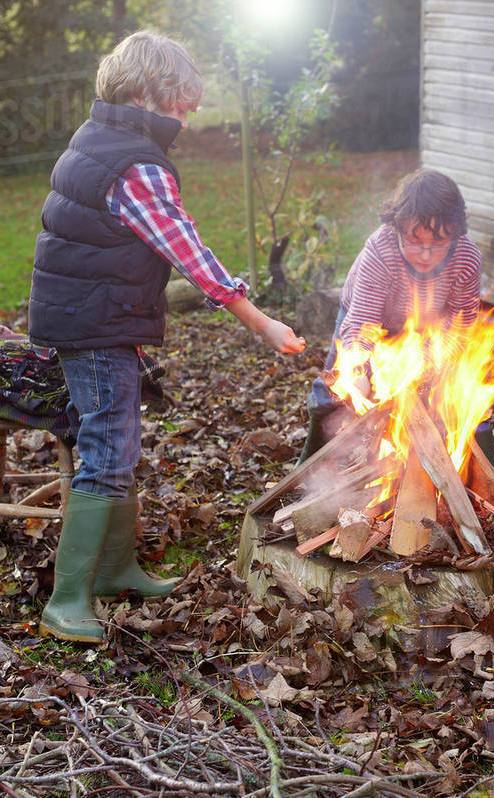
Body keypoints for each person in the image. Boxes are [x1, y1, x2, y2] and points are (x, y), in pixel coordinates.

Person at [28, 30, 305, 644]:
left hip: (92, 315)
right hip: (94, 323)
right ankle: (67, 599)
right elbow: (189, 252)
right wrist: (259, 322)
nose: (188, 117)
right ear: (148, 94)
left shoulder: (96, 139)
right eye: (181, 106)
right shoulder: (136, 165)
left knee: (117, 442)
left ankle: (115, 568)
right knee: (106, 449)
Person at [298, 168, 493, 464]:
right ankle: (312, 462)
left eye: (437, 244)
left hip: (428, 330)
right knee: (333, 389)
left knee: (453, 394)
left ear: (455, 233)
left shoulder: (466, 258)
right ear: (398, 228)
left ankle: (465, 471)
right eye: (415, 242)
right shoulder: (381, 250)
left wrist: (425, 367)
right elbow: (361, 324)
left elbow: (460, 330)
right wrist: (359, 370)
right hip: (368, 321)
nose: (426, 254)